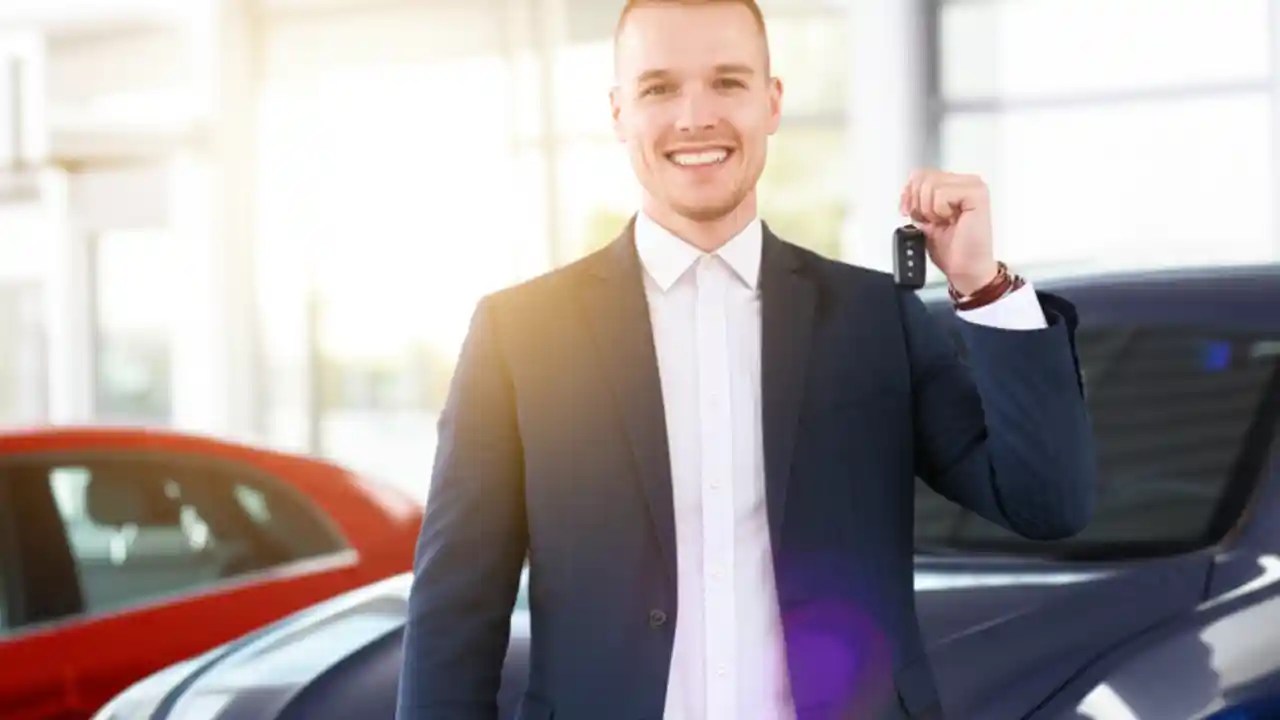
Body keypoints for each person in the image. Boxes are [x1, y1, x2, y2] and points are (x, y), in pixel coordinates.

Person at [395, 1, 1096, 718]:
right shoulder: (520, 335)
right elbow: (456, 613)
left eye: (727, 82)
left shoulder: (871, 318)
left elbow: (1048, 503)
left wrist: (984, 287)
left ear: (772, 102)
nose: (695, 116)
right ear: (617, 113)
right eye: (659, 88)